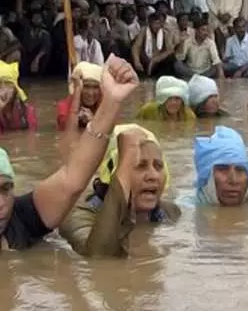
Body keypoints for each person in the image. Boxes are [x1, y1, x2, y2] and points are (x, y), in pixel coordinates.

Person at [0, 54, 139, 250]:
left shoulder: (19, 219)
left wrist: (112, 101)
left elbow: (72, 179)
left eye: (5, 189)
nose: (1, 204)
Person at [59, 123, 180, 257]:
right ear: (114, 172)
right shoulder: (77, 216)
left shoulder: (170, 212)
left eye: (158, 166)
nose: (153, 176)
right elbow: (99, 258)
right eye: (140, 165)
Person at [194, 126, 248, 205]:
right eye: (222, 169)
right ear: (206, 176)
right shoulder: (183, 212)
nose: (233, 180)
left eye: (240, 169)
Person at [56, 62, 103, 131]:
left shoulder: (104, 105)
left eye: (95, 87)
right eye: (86, 86)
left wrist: (92, 122)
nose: (90, 93)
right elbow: (67, 134)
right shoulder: (64, 107)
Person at [131, 12, 175, 77]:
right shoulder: (144, 30)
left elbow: (170, 50)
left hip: (158, 61)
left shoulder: (165, 32)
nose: (157, 26)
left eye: (159, 23)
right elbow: (136, 47)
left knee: (171, 57)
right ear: (149, 23)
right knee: (136, 52)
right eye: (155, 23)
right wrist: (136, 61)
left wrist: (155, 60)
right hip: (146, 59)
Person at [0, 61, 37, 133]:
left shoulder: (28, 112)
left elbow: (31, 137)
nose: (3, 92)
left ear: (15, 89)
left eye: (8, 84)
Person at [19, 10, 52, 77]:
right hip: (27, 56)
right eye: (35, 18)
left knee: (45, 56)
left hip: (39, 57)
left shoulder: (44, 33)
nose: (36, 20)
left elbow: (46, 48)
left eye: (39, 18)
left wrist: (36, 59)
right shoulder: (26, 32)